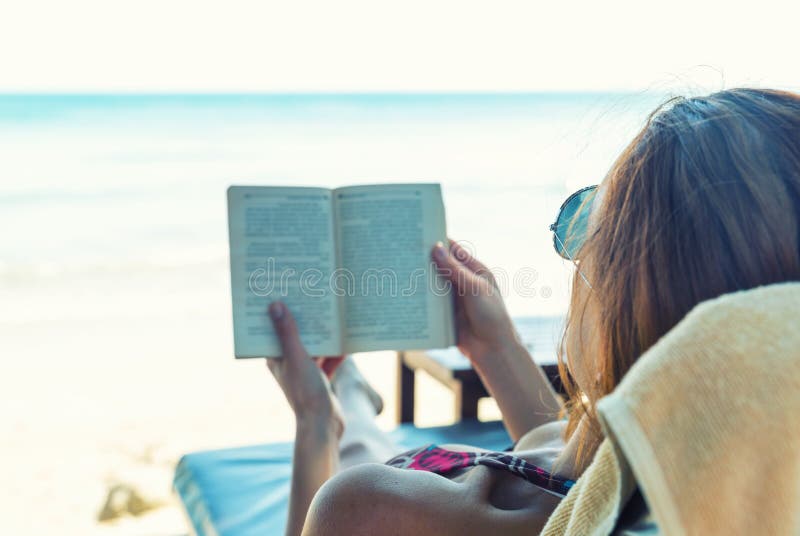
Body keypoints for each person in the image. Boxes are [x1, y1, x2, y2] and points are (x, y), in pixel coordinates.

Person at [266, 88, 800, 535]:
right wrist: (495, 348)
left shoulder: (370, 507)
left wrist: (313, 422)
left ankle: (342, 403)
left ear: (633, 298)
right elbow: (571, 467)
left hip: (394, 476)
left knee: (357, 444)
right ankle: (352, 399)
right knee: (362, 430)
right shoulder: (672, 480)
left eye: (587, 225)